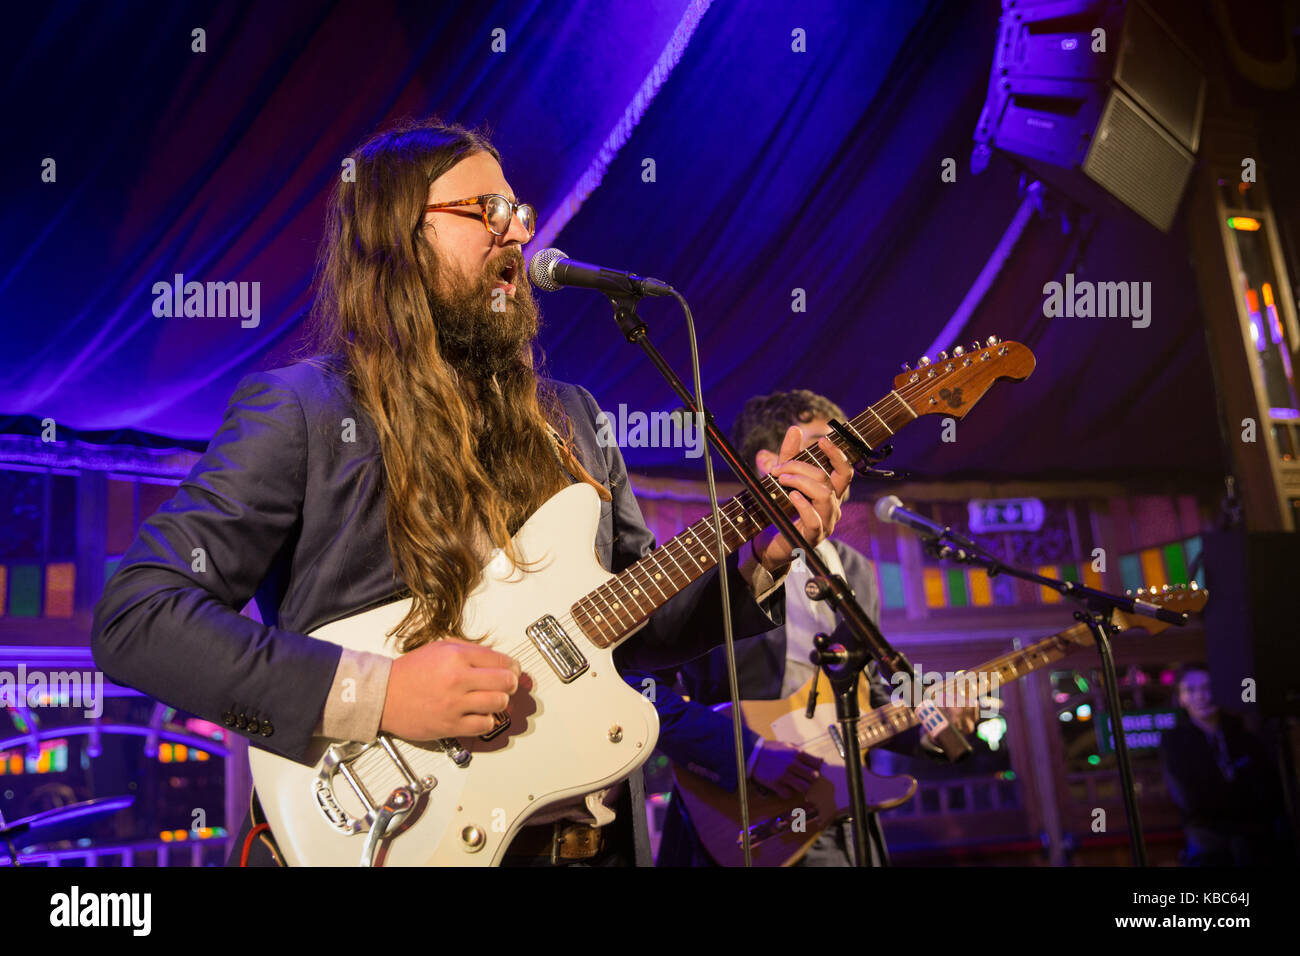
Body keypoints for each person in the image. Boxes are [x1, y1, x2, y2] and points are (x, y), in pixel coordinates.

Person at [90, 119, 853, 867]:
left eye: (519, 213)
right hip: (385, 828)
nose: (518, 234)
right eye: (486, 212)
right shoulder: (303, 412)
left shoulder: (575, 419)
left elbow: (638, 623)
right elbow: (139, 616)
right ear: (398, 238)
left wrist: (761, 551)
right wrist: (381, 693)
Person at [627, 390, 975, 867]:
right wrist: (748, 754)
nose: (844, 455)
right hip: (740, 816)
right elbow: (640, 687)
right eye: (824, 444)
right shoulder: (707, 558)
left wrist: (931, 726)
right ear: (772, 463)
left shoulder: (856, 569)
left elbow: (868, 693)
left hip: (844, 816)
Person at [1159, 662, 1290, 866]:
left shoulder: (1245, 732)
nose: (1201, 696)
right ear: (1181, 698)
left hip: (1257, 834)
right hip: (1208, 836)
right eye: (1191, 690)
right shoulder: (1174, 741)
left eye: (1207, 687)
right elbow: (1189, 799)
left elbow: (1269, 789)